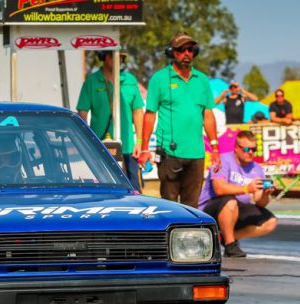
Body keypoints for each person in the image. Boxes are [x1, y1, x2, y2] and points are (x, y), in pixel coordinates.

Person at [138, 32, 220, 208]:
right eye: (181, 50)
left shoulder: (202, 80)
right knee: (169, 205)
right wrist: (144, 148)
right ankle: (168, 236)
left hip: (197, 154)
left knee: (192, 206)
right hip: (169, 152)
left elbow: (208, 115)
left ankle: (190, 237)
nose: (187, 53)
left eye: (190, 49)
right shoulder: (159, 79)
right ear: (172, 52)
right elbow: (149, 115)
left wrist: (215, 148)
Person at [198, 130, 278, 257]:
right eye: (246, 149)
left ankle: (224, 238)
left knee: (270, 221)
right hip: (209, 209)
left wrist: (265, 194)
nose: (250, 152)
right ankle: (230, 245)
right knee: (230, 201)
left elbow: (259, 202)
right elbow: (219, 189)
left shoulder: (257, 169)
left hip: (235, 210)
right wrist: (246, 189)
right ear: (236, 148)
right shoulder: (222, 161)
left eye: (253, 149)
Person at [76, 50, 145, 191]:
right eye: (115, 56)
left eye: (122, 58)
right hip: (101, 147)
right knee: (106, 189)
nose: (119, 60)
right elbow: (82, 112)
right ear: (105, 57)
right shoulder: (92, 81)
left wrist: (139, 142)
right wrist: (88, 143)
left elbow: (138, 111)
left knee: (134, 189)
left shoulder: (130, 80)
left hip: (129, 148)